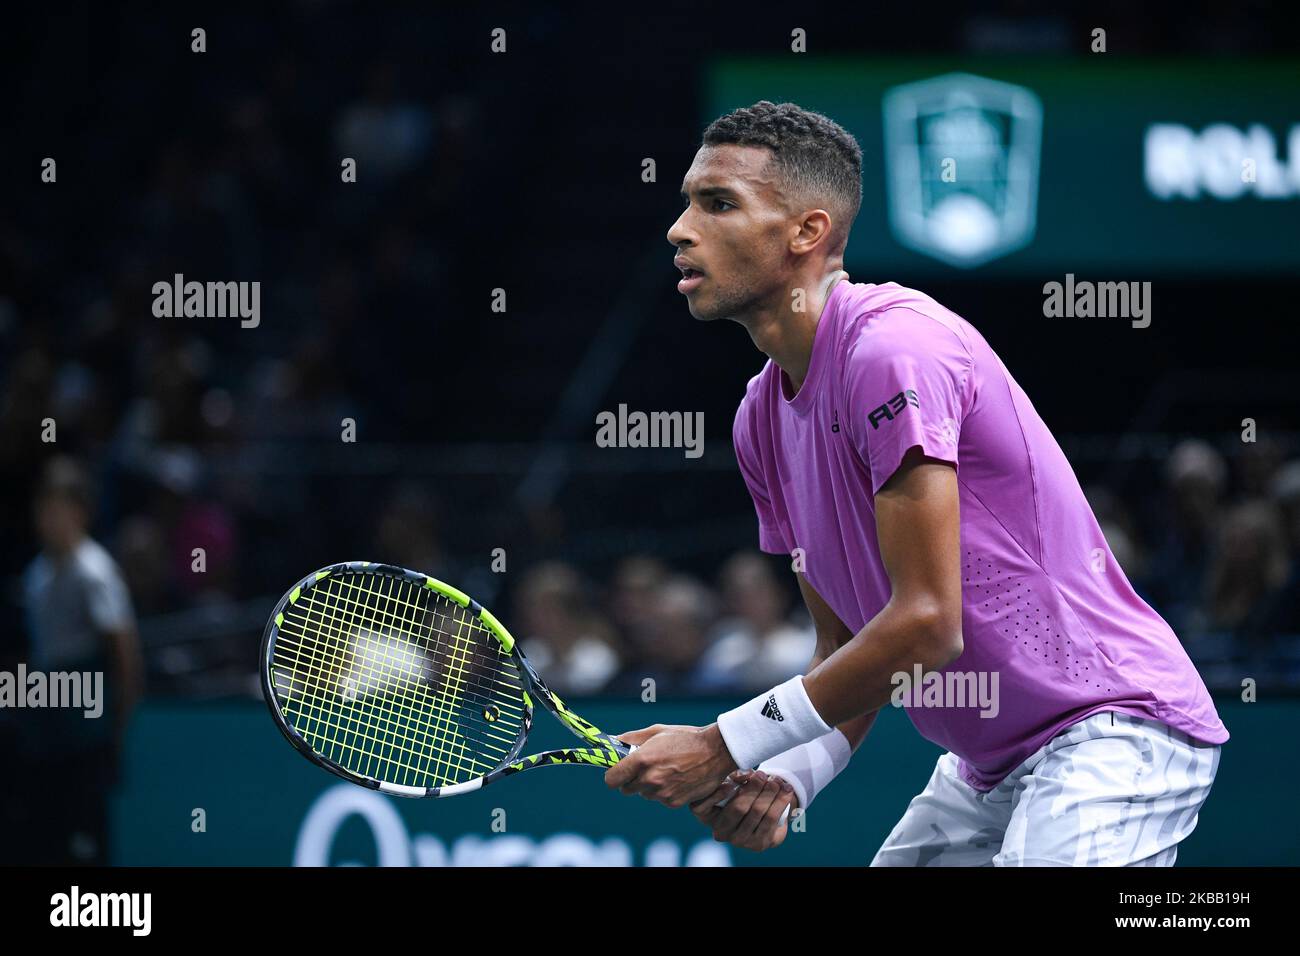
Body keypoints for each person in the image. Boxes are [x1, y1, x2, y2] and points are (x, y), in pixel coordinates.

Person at [604, 101, 1227, 866]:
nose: (680, 228)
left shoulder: (895, 349)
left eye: (719, 203)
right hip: (988, 769)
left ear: (808, 232)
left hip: (1110, 726)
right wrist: (790, 770)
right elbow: (845, 646)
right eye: (686, 202)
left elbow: (929, 626)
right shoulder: (759, 420)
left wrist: (720, 742)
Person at [16, 456, 143, 864]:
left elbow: (124, 656)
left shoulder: (96, 572)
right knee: (44, 835)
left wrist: (116, 730)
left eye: (57, 508)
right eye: (42, 508)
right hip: (46, 725)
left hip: (88, 732)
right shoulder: (35, 575)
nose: (48, 519)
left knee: (87, 841)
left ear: (80, 512)